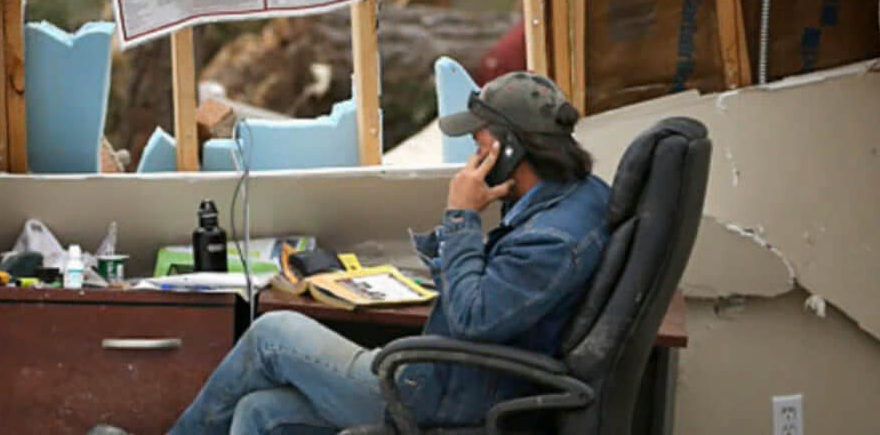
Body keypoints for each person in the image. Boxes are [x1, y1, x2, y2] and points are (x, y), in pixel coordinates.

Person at [91, 71, 611, 435]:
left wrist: (463, 216)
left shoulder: (552, 240)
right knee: (258, 414)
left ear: (512, 149)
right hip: (458, 377)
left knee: (273, 333)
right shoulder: (574, 197)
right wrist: (453, 238)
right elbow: (494, 294)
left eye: (479, 144)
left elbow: (475, 317)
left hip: (448, 395)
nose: (473, 156)